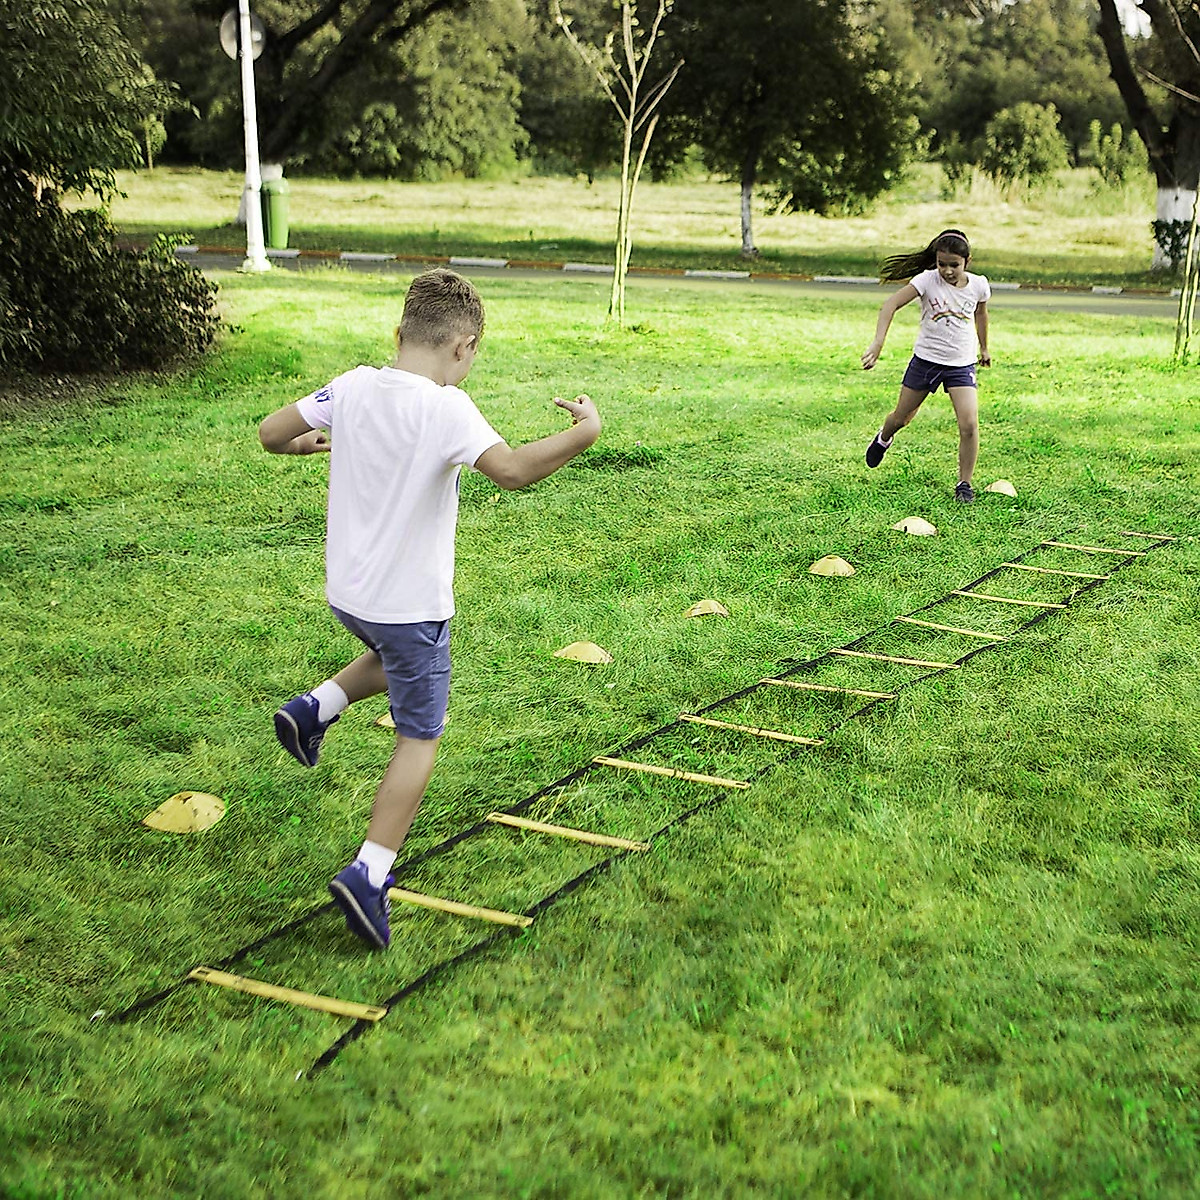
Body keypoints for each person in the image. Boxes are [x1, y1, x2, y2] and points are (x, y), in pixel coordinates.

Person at [257, 268, 601, 950]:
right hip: (408, 604)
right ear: (463, 347)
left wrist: (304, 442)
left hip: (348, 594)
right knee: (421, 731)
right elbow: (512, 470)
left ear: (399, 333)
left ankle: (313, 709)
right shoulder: (447, 407)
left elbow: (271, 431)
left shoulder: (353, 385)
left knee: (397, 658)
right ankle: (369, 871)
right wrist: (584, 433)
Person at [860, 228, 991, 502]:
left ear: (967, 261)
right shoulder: (926, 281)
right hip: (926, 361)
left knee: (969, 425)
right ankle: (884, 437)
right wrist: (878, 343)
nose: (947, 271)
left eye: (954, 265)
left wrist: (984, 347)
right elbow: (889, 305)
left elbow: (981, 314)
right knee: (901, 418)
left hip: (960, 364)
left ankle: (964, 484)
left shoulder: (979, 285)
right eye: (942, 264)